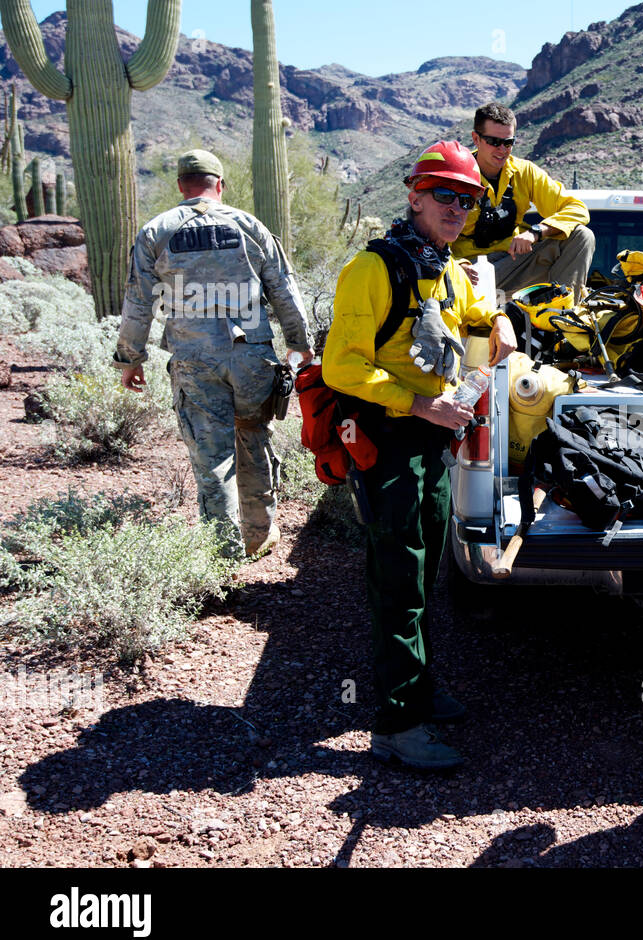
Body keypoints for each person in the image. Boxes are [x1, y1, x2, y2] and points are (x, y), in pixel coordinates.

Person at [324, 140, 516, 770]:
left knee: (425, 573)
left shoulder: (447, 269)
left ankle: (422, 689)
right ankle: (397, 725)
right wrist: (420, 405)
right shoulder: (373, 269)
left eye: (467, 200)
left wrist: (501, 322)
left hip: (431, 442)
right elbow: (340, 365)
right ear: (413, 196)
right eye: (444, 196)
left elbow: (477, 322)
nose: (456, 208)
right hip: (388, 441)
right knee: (399, 579)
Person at [113, 148, 313, 559]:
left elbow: (138, 301)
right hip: (251, 357)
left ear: (182, 187)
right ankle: (258, 533)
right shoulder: (249, 226)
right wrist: (300, 342)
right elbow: (284, 289)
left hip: (194, 360)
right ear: (219, 184)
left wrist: (130, 358)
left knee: (212, 457)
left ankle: (222, 557)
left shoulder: (157, 230)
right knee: (253, 439)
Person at [452, 102, 595, 299]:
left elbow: (577, 209)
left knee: (581, 236)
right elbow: (430, 232)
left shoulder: (524, 172)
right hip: (469, 273)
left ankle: (561, 319)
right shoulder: (455, 177)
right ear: (476, 138)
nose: (502, 149)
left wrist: (536, 232)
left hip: (512, 263)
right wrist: (458, 265)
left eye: (508, 142)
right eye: (494, 141)